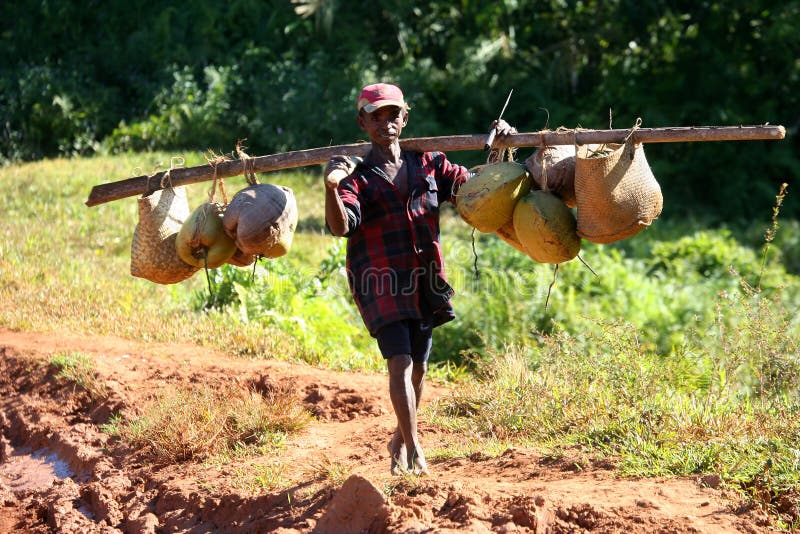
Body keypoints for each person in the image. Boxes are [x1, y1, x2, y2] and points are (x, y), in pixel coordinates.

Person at [325, 82, 515, 475]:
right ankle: (415, 451)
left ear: (404, 118)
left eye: (393, 115)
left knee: (420, 369)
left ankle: (397, 439)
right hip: (379, 281)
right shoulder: (355, 177)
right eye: (376, 116)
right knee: (400, 362)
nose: (386, 123)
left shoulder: (430, 164)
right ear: (362, 122)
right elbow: (340, 226)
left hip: (423, 278)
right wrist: (330, 187)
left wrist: (500, 150)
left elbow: (479, 190)